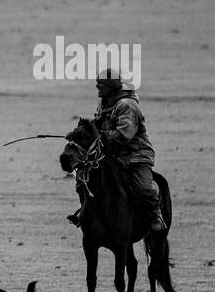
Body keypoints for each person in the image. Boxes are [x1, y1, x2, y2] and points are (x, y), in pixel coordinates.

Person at [67, 68, 165, 233]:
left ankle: (156, 215)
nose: (97, 87)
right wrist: (81, 133)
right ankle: (85, 213)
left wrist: (101, 136)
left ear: (111, 86)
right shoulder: (104, 101)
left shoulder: (127, 105)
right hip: (112, 155)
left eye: (101, 84)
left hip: (135, 156)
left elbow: (123, 135)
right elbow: (98, 123)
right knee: (83, 179)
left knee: (144, 188)